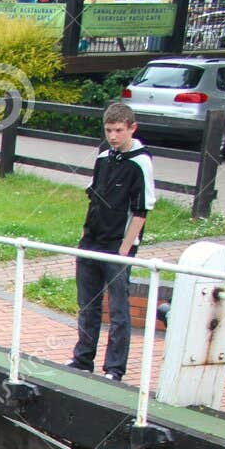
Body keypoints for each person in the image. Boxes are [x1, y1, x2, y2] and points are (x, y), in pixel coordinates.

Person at [69, 102, 155, 383]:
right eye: (109, 130)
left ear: (132, 128)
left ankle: (114, 368)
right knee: (87, 304)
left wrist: (124, 249)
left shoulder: (140, 162)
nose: (113, 136)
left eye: (119, 130)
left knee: (118, 308)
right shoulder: (104, 158)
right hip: (91, 239)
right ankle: (83, 359)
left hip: (117, 244)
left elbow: (141, 211)